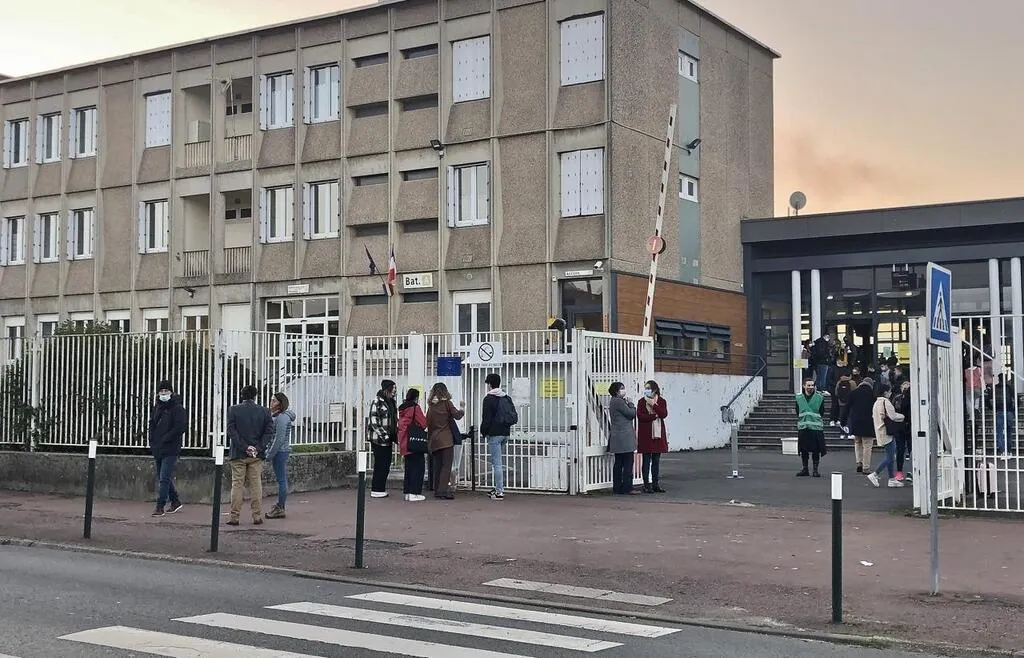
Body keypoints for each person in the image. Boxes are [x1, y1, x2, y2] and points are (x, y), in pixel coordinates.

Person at [226, 385, 274, 526]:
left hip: (238, 454)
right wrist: (257, 448)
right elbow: (269, 432)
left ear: (242, 395)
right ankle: (257, 516)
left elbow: (231, 431)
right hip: (256, 455)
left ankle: (234, 517)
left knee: (237, 485)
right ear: (255, 396)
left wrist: (244, 447)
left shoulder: (233, 410)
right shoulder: (264, 411)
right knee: (256, 485)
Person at [149, 380, 187, 517]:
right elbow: (152, 424)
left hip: (171, 448)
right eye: (161, 391)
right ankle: (175, 500)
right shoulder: (157, 408)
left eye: (166, 391)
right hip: (158, 447)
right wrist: (152, 441)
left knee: (164, 477)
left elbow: (180, 427)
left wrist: (166, 438)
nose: (163, 394)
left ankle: (160, 506)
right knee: (162, 476)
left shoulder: (177, 408)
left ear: (171, 392)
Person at [480, 373, 518, 501]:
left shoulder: (488, 399)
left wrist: (483, 432)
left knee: (496, 463)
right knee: (497, 462)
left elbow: (486, 419)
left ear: (490, 384)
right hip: (505, 433)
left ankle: (499, 491)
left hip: (494, 434)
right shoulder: (506, 397)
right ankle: (496, 487)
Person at [426, 383, 465, 500]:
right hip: (446, 439)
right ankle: (442, 491)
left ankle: (436, 488)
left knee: (437, 465)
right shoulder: (447, 403)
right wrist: (462, 408)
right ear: (445, 391)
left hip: (435, 439)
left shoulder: (431, 407)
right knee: (446, 466)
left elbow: (428, 422)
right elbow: (457, 415)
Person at [867, 383, 905, 488]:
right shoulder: (886, 402)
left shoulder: (876, 403)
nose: (890, 393)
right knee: (890, 456)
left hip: (879, 431)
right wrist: (903, 416)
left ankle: (891, 478)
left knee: (890, 455)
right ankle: (875, 474)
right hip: (887, 431)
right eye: (889, 391)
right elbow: (893, 416)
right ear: (885, 392)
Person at [366, 379, 399, 499]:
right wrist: (384, 435)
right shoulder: (377, 401)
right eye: (393, 388)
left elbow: (394, 419)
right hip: (378, 439)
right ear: (387, 389)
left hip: (388, 438)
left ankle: (381, 488)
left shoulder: (391, 402)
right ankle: (377, 488)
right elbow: (374, 421)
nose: (395, 391)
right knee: (381, 463)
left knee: (386, 463)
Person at [265, 392, 295, 519]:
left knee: (281, 480)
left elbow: (279, 438)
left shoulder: (282, 418)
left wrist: (270, 454)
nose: (271, 403)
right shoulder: (278, 416)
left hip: (280, 451)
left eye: (274, 401)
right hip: (280, 451)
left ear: (280, 404)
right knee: (281, 479)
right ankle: (279, 506)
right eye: (271, 400)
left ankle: (280, 507)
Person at [636, 379, 668, 493]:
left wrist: (654, 405)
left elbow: (664, 414)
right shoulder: (641, 402)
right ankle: (646, 484)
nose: (647, 390)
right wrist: (653, 417)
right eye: (646, 388)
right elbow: (640, 416)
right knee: (646, 459)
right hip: (646, 434)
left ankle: (655, 484)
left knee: (656, 460)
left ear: (655, 389)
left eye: (649, 388)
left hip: (657, 435)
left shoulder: (661, 401)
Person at [397, 388, 428, 502]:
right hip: (414, 442)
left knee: (409, 468)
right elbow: (423, 423)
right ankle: (414, 493)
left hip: (405, 442)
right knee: (418, 468)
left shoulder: (402, 409)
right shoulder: (415, 408)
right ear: (416, 397)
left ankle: (408, 492)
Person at [608, 382, 638, 495]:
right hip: (624, 438)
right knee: (628, 463)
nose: (623, 390)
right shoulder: (619, 402)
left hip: (617, 437)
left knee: (619, 463)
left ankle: (617, 487)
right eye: (621, 388)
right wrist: (631, 404)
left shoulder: (613, 401)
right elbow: (631, 413)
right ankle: (627, 487)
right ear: (616, 391)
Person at [842, 376, 876, 473]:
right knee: (867, 445)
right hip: (869, 422)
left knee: (857, 442)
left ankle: (859, 462)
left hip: (856, 421)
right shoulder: (873, 394)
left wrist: (843, 421)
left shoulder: (854, 393)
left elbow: (846, 407)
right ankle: (866, 467)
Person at [795, 377, 827, 477]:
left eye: (812, 385)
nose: (810, 387)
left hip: (816, 428)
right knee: (803, 450)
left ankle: (815, 470)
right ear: (804, 386)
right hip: (803, 427)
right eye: (808, 385)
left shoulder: (819, 398)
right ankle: (805, 469)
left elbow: (822, 412)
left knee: (816, 450)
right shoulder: (799, 398)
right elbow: (798, 411)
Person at [892, 380, 912, 481]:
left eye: (908, 385)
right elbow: (893, 411)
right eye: (904, 385)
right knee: (900, 450)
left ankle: (910, 471)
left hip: (909, 426)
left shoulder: (912, 398)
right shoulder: (897, 398)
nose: (906, 387)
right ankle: (899, 471)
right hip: (900, 427)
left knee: (911, 450)